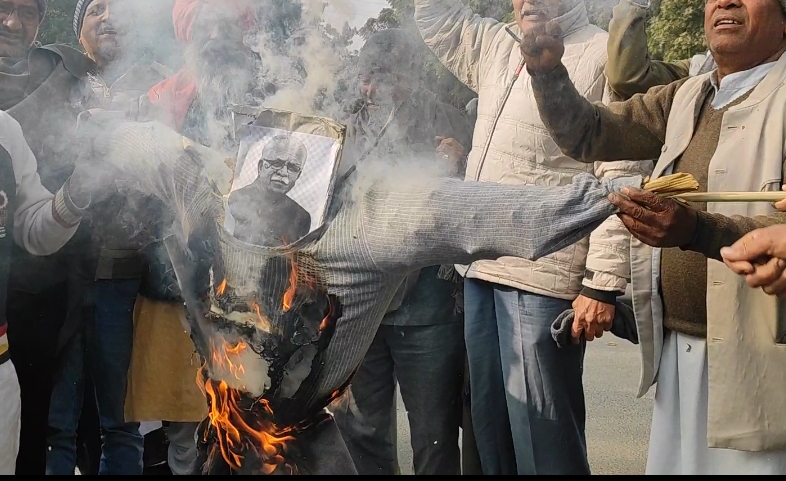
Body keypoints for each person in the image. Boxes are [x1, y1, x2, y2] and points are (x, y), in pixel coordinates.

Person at [75, 110, 640, 475]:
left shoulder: (369, 223)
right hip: (227, 423)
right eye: (264, 173)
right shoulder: (207, 188)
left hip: (303, 426)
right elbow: (137, 138)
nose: (274, 187)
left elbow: (484, 215)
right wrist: (88, 124)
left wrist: (614, 195)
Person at [525, 0, 786, 474]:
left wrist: (694, 229)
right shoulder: (686, 96)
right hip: (679, 349)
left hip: (759, 356)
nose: (726, 0)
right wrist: (548, 74)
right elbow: (590, 132)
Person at [414, 0, 647, 474]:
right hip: (480, 268)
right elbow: (440, 21)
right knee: (491, 431)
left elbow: (621, 172)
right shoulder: (498, 47)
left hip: (545, 280)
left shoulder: (598, 53)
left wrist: (600, 283)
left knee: (543, 434)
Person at [123, 0, 261, 476]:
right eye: (202, 24)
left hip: (255, 284)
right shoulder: (158, 98)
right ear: (186, 32)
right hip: (175, 279)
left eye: (225, 22)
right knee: (184, 420)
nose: (215, 35)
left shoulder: (278, 91)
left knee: (254, 416)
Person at [331, 29, 473, 475]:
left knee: (433, 434)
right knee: (361, 431)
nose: (368, 89)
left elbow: (475, 207)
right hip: (359, 308)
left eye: (380, 77)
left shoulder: (452, 123)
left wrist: (460, 167)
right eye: (364, 77)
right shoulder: (344, 129)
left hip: (427, 309)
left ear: (408, 75)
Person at [45, 0, 170, 475]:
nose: (109, 17)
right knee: (57, 424)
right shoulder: (57, 79)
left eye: (121, 9)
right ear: (80, 33)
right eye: (95, 9)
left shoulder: (158, 86)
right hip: (61, 277)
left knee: (122, 423)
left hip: (124, 279)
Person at [0, 0, 95, 475]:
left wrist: (79, 193)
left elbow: (32, 223)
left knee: (23, 437)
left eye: (28, 12)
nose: (12, 21)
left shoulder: (9, 128)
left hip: (13, 320)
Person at [229, 134, 311, 247]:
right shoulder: (233, 201)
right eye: (277, 163)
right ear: (261, 166)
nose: (283, 172)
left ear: (298, 175)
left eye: (293, 168)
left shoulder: (301, 217)